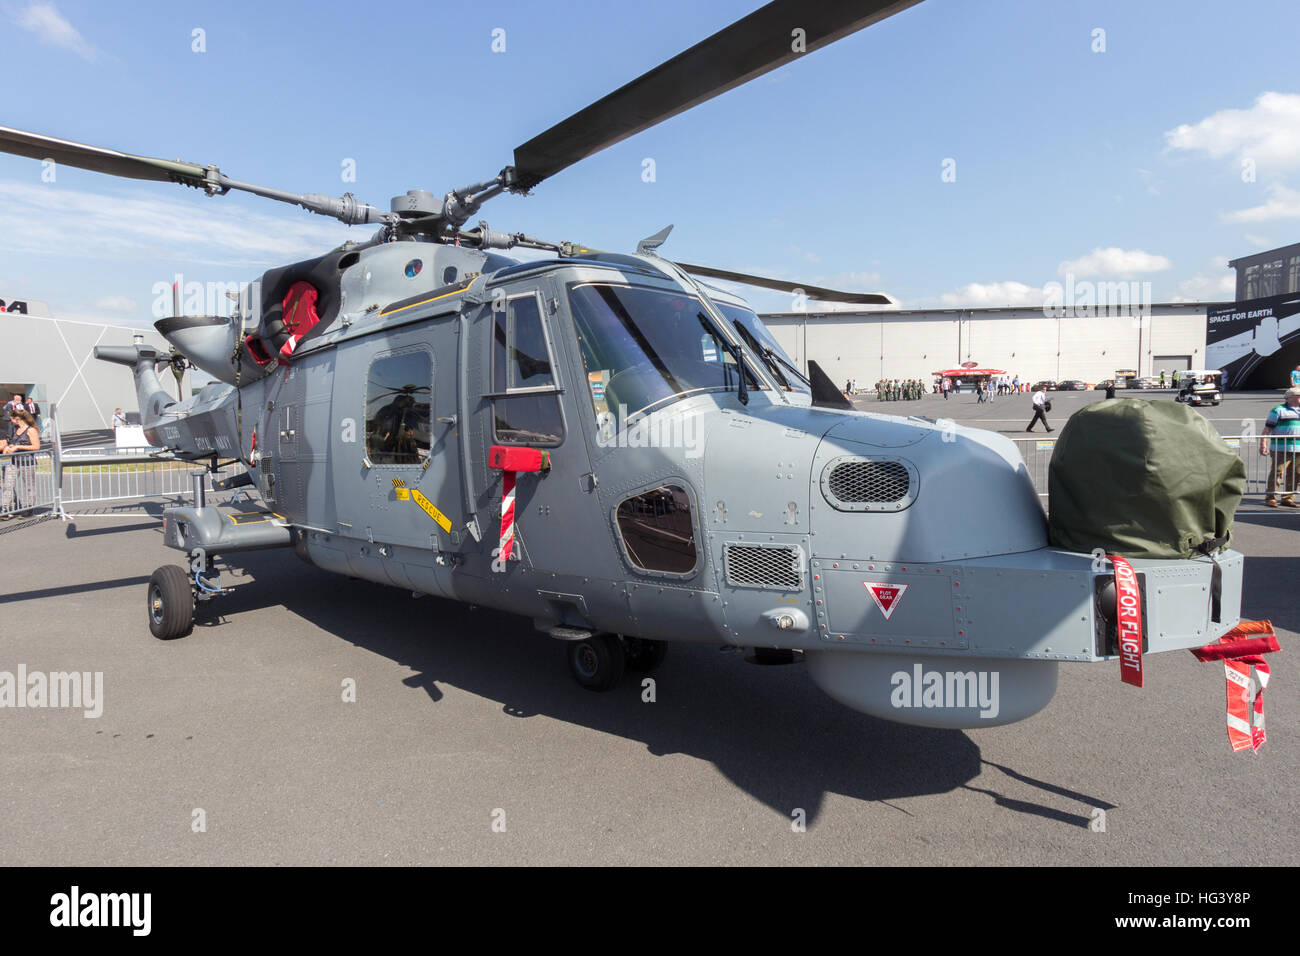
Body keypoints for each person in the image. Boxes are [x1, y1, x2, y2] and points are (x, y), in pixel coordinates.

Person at [1261, 387, 1300, 508]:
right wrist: (1263, 443)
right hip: (1280, 448)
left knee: (1296, 474)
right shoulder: (1278, 410)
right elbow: (1267, 429)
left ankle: (1288, 498)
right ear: (1290, 398)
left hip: (1298, 449)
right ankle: (1271, 497)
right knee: (1277, 472)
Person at [0, 407, 40, 519]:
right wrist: (10, 447)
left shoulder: (31, 430)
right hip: (13, 461)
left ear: (17, 418)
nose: (10, 421)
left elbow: (36, 447)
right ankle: (5, 510)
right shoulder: (15, 429)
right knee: (8, 485)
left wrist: (18, 446)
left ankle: (30, 509)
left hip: (27, 462)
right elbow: (14, 443)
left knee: (29, 486)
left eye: (11, 419)